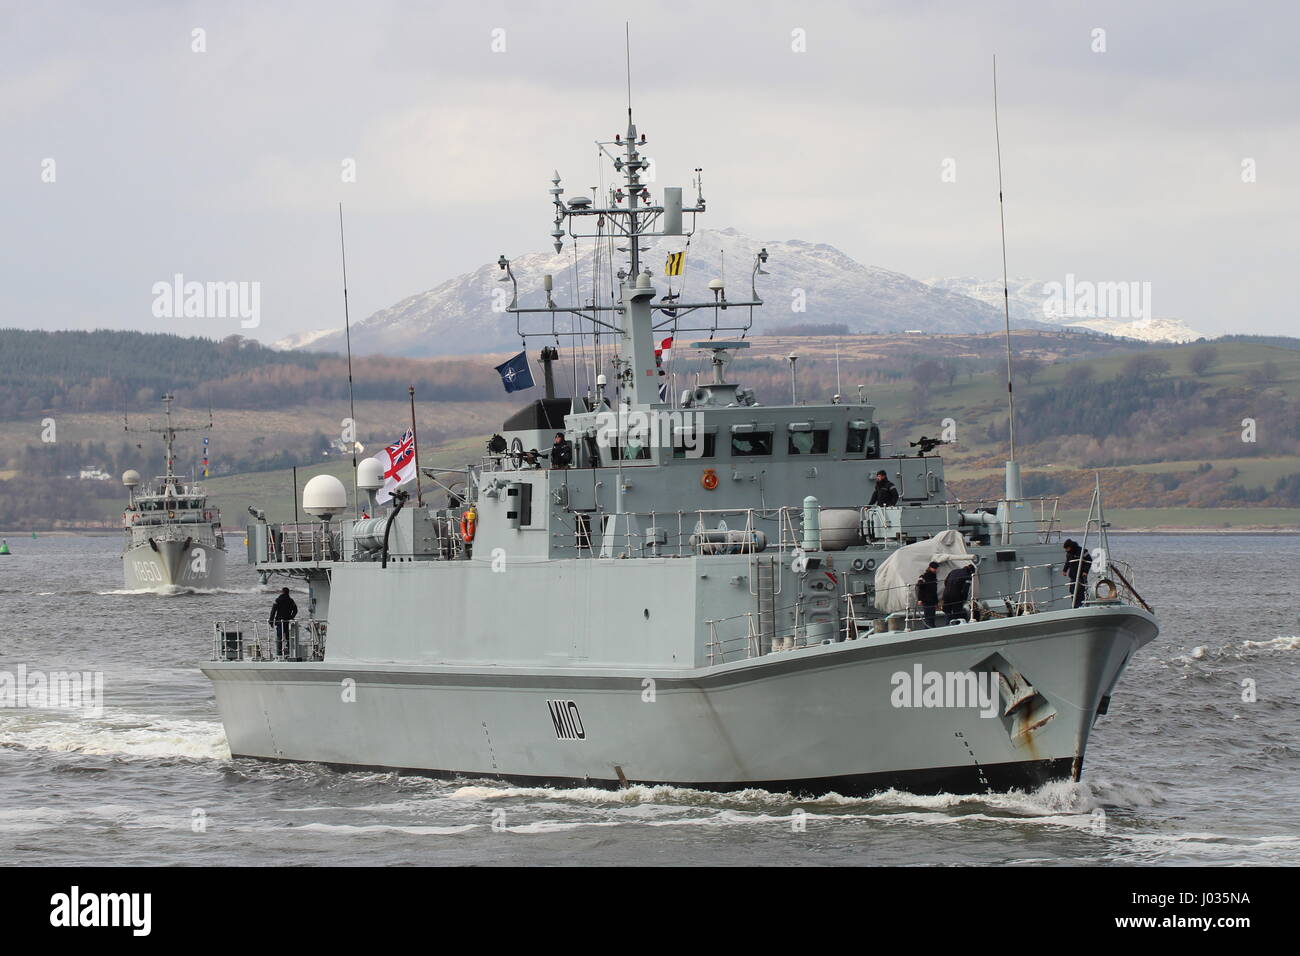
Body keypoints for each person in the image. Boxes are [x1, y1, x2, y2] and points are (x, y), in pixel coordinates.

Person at [1062, 539, 1093, 608]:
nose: (1066, 550)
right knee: (1072, 591)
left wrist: (1085, 571)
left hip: (1081, 576)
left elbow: (1089, 560)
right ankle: (1075, 606)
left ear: (1070, 546)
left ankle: (1080, 606)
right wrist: (1064, 570)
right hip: (1073, 576)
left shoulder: (1082, 551)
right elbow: (1067, 562)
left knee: (1080, 592)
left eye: (1067, 548)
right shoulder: (1069, 553)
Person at [269, 587, 298, 657]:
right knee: (289, 637)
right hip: (288, 621)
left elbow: (273, 611)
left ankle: (279, 653)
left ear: (282, 592)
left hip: (279, 621)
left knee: (279, 637)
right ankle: (289, 652)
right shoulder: (291, 600)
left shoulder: (278, 600)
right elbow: (295, 610)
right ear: (288, 592)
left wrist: (271, 621)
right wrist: (291, 617)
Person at [915, 561, 940, 628]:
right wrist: (920, 599)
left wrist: (936, 602)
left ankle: (931, 628)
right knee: (928, 617)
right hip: (926, 600)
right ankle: (929, 628)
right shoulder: (924, 576)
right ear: (930, 568)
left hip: (932, 599)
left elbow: (934, 591)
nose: (935, 569)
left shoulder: (934, 577)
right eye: (934, 568)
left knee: (931, 617)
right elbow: (920, 588)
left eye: (936, 568)